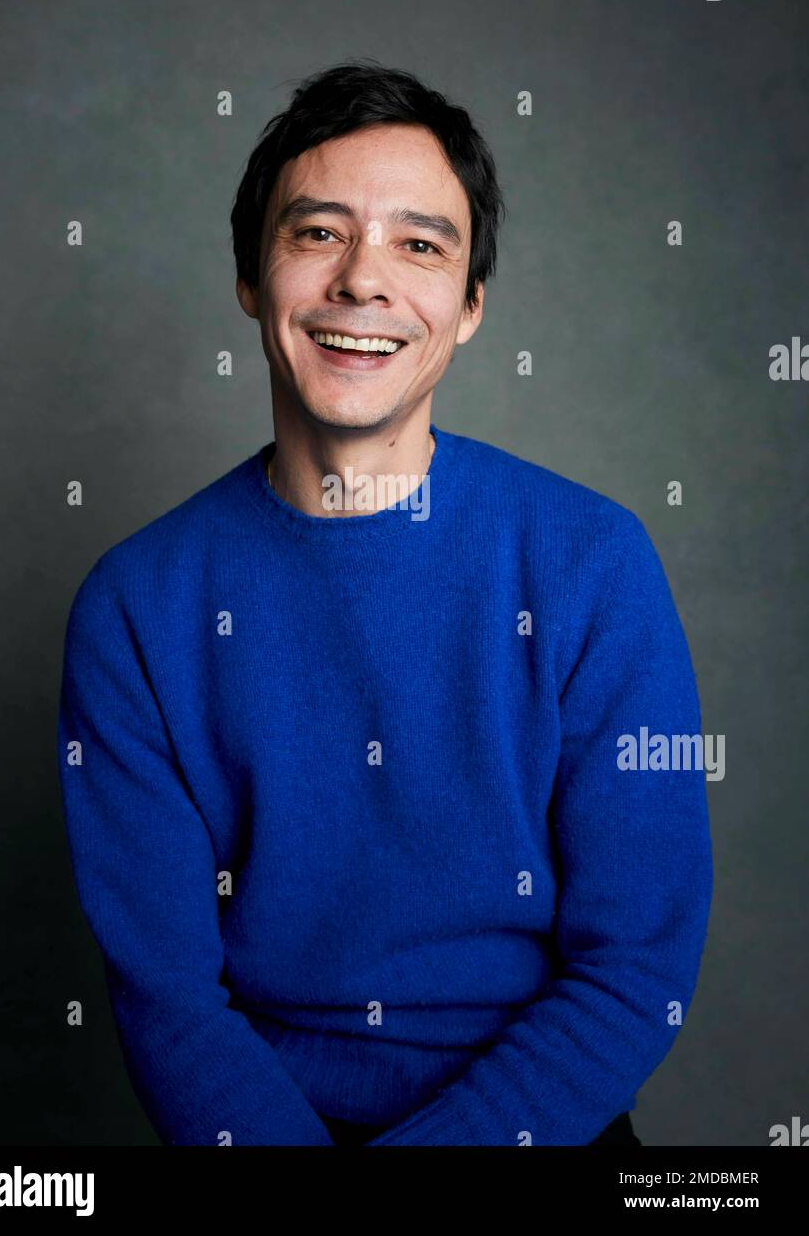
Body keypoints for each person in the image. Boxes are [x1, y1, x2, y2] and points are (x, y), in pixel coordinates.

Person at [57, 60, 713, 1146]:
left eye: (420, 244)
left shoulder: (591, 562)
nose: (364, 280)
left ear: (466, 309)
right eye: (317, 233)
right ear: (248, 277)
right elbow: (166, 997)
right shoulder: (135, 606)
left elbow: (636, 965)